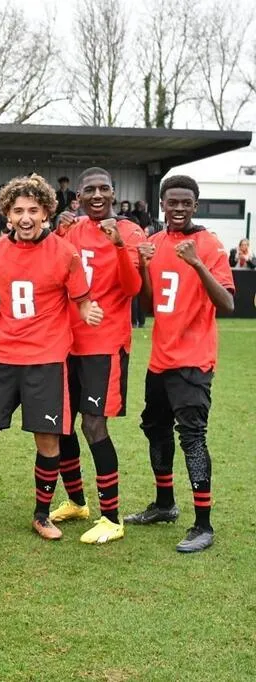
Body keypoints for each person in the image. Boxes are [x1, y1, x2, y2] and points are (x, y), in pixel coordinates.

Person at [0, 174, 103, 540]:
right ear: (8, 214)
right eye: (19, 211)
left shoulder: (65, 253)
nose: (26, 217)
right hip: (3, 360)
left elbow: (81, 300)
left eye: (34, 210)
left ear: (47, 212)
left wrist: (88, 312)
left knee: (47, 441)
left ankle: (42, 513)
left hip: (47, 362)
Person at [124, 175, 235, 553]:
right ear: (162, 204)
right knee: (155, 427)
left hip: (194, 361)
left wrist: (198, 264)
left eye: (186, 202)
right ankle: (164, 503)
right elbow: (153, 304)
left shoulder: (210, 244)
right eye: (173, 202)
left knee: (192, 437)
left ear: (196, 205)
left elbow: (227, 304)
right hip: (160, 359)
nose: (179, 208)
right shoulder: (153, 243)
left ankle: (203, 524)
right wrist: (142, 266)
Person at [47, 168, 146, 544]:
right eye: (91, 189)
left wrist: (119, 245)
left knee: (93, 426)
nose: (98, 194)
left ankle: (112, 517)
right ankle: (77, 502)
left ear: (115, 194)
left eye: (105, 188)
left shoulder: (131, 231)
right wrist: (57, 230)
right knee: (61, 424)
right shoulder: (72, 229)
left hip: (103, 345)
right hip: (63, 343)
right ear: (79, 196)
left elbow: (133, 287)